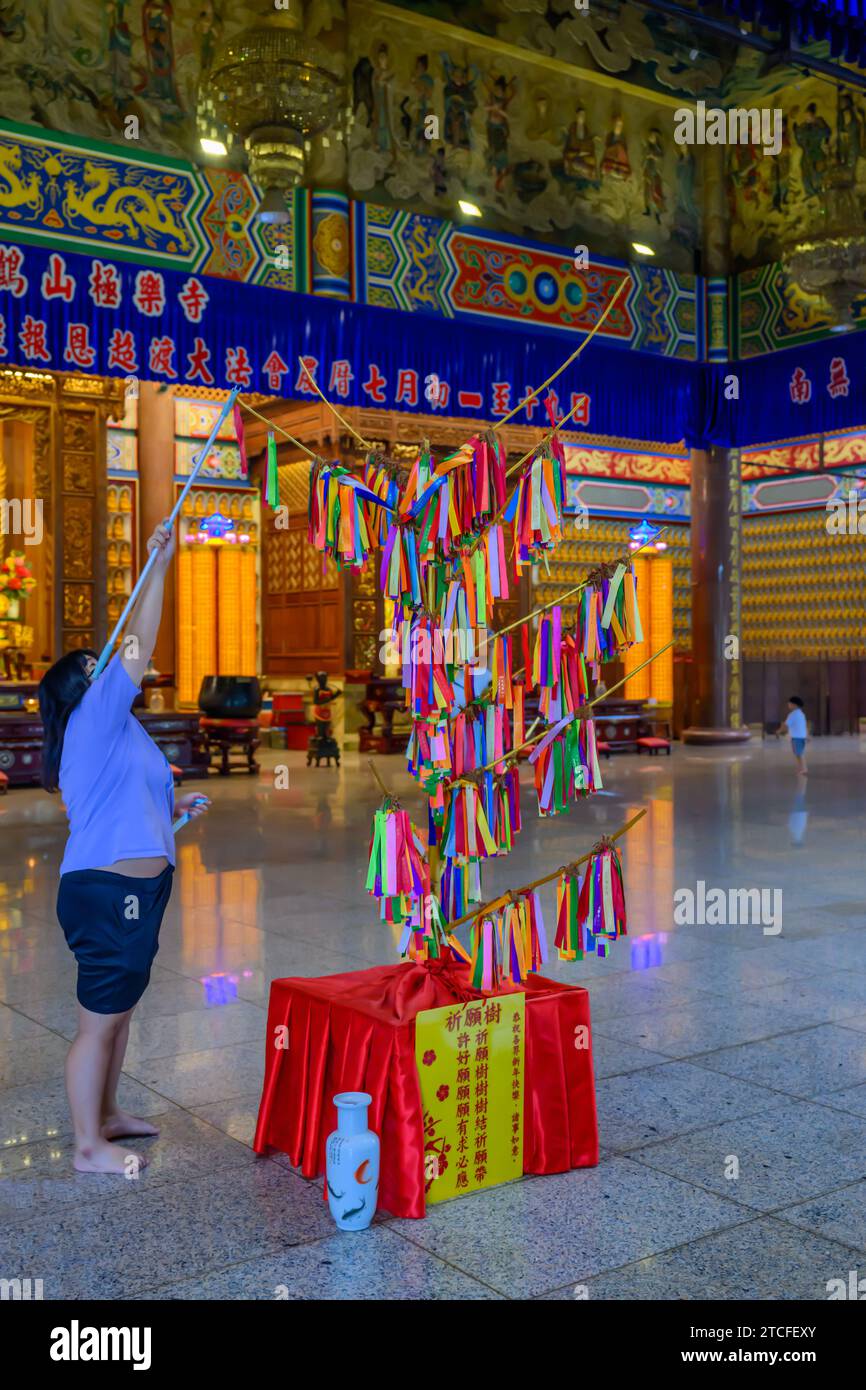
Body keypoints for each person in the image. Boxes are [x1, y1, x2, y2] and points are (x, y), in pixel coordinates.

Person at [38, 520, 210, 1175]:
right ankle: (87, 1147)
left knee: (119, 1013)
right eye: (92, 665)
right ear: (78, 692)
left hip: (134, 887)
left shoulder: (114, 731)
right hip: (108, 894)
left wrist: (175, 813)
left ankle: (106, 1114)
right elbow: (137, 641)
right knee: (97, 1022)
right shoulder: (93, 716)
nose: (104, 661)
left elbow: (129, 807)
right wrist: (158, 564)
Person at [777, 694, 808, 776]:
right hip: (801, 737)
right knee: (798, 753)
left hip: (796, 737)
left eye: (789, 704)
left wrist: (779, 731)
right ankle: (801, 768)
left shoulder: (792, 714)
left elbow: (786, 725)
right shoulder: (801, 714)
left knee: (799, 754)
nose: (788, 705)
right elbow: (804, 725)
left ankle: (804, 769)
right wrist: (807, 736)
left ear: (794, 705)